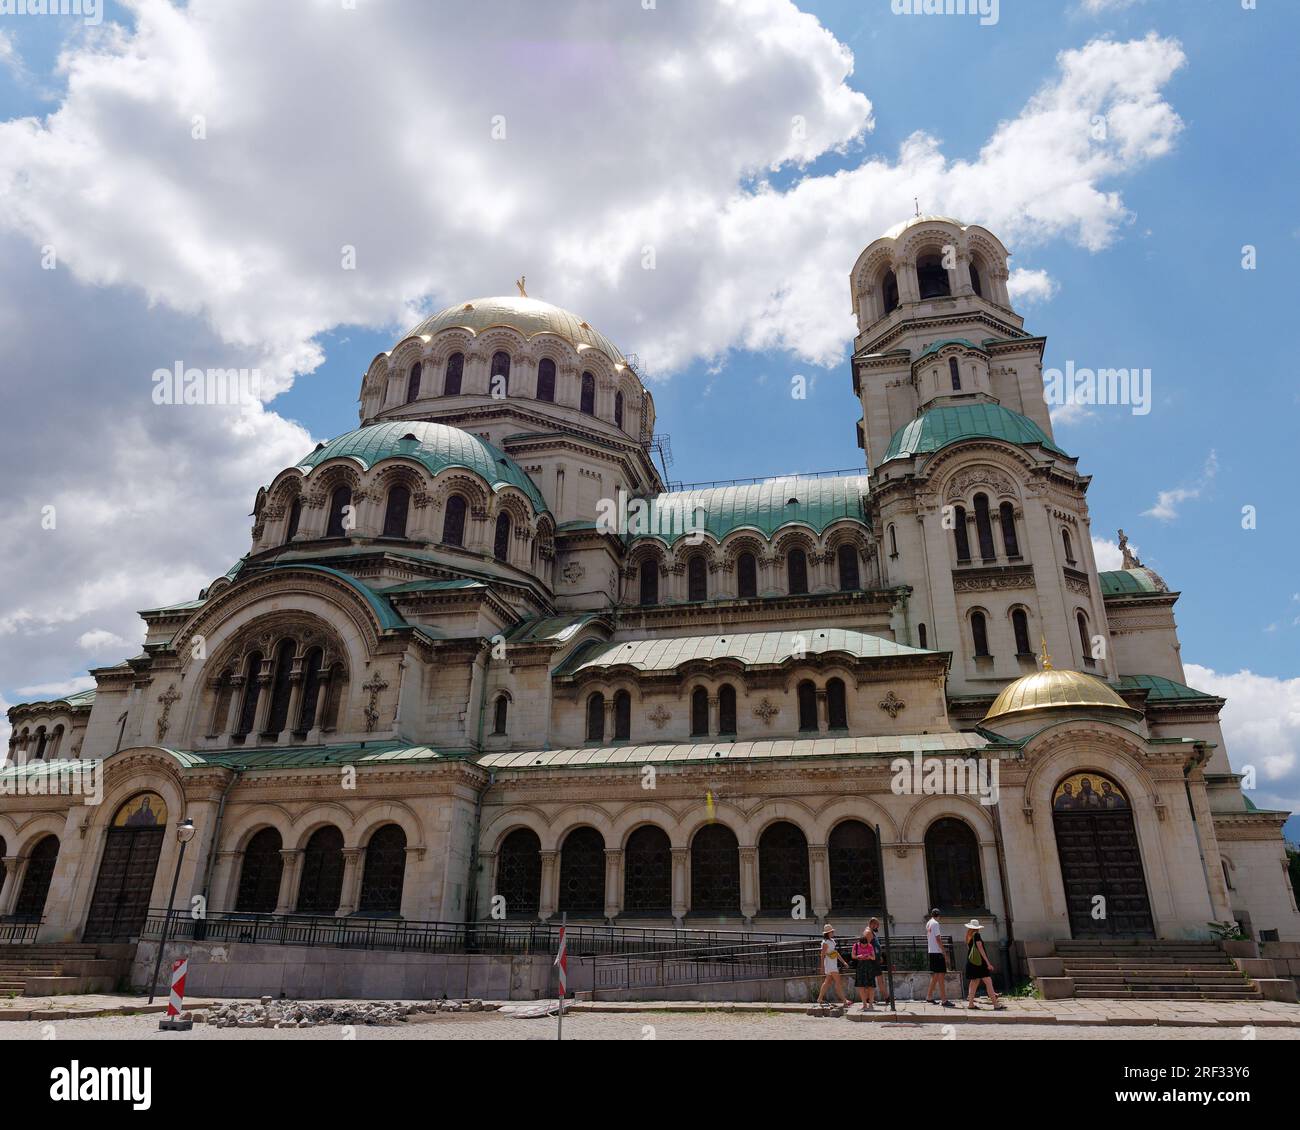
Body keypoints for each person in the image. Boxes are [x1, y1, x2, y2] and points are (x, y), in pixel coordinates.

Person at [962, 919, 1004, 1009]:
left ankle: (970, 1004)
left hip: (971, 962)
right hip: (980, 963)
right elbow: (980, 949)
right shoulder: (977, 935)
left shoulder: (968, 936)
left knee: (974, 983)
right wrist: (988, 963)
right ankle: (996, 1005)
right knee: (988, 982)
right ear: (977, 928)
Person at [924, 908, 953, 1007]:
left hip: (931, 951)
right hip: (937, 952)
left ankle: (929, 996)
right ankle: (944, 1000)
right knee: (940, 976)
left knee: (936, 976)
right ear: (939, 915)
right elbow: (938, 938)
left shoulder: (928, 923)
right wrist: (944, 951)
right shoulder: (936, 924)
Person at [817, 924, 851, 1007]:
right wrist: (822, 966)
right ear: (827, 933)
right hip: (830, 963)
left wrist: (843, 962)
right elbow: (822, 955)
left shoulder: (832, 941)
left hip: (832, 962)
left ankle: (820, 998)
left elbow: (836, 953)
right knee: (838, 981)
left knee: (827, 982)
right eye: (831, 931)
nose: (833, 932)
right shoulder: (825, 943)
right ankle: (844, 1000)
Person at [851, 927, 878, 1011]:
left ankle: (870, 1004)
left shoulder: (870, 946)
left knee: (871, 986)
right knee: (861, 986)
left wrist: (869, 956)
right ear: (860, 943)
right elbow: (853, 956)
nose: (864, 946)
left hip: (869, 966)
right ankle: (864, 1004)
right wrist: (858, 956)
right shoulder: (855, 946)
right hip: (860, 966)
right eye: (863, 945)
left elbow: (874, 958)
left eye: (865, 945)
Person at [868, 916, 890, 1004]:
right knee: (873, 980)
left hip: (875, 960)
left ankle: (886, 997)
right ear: (872, 924)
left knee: (878, 979)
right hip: (872, 961)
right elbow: (867, 946)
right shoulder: (868, 933)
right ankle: (885, 997)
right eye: (877, 925)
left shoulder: (872, 932)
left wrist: (879, 955)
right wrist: (872, 957)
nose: (878, 927)